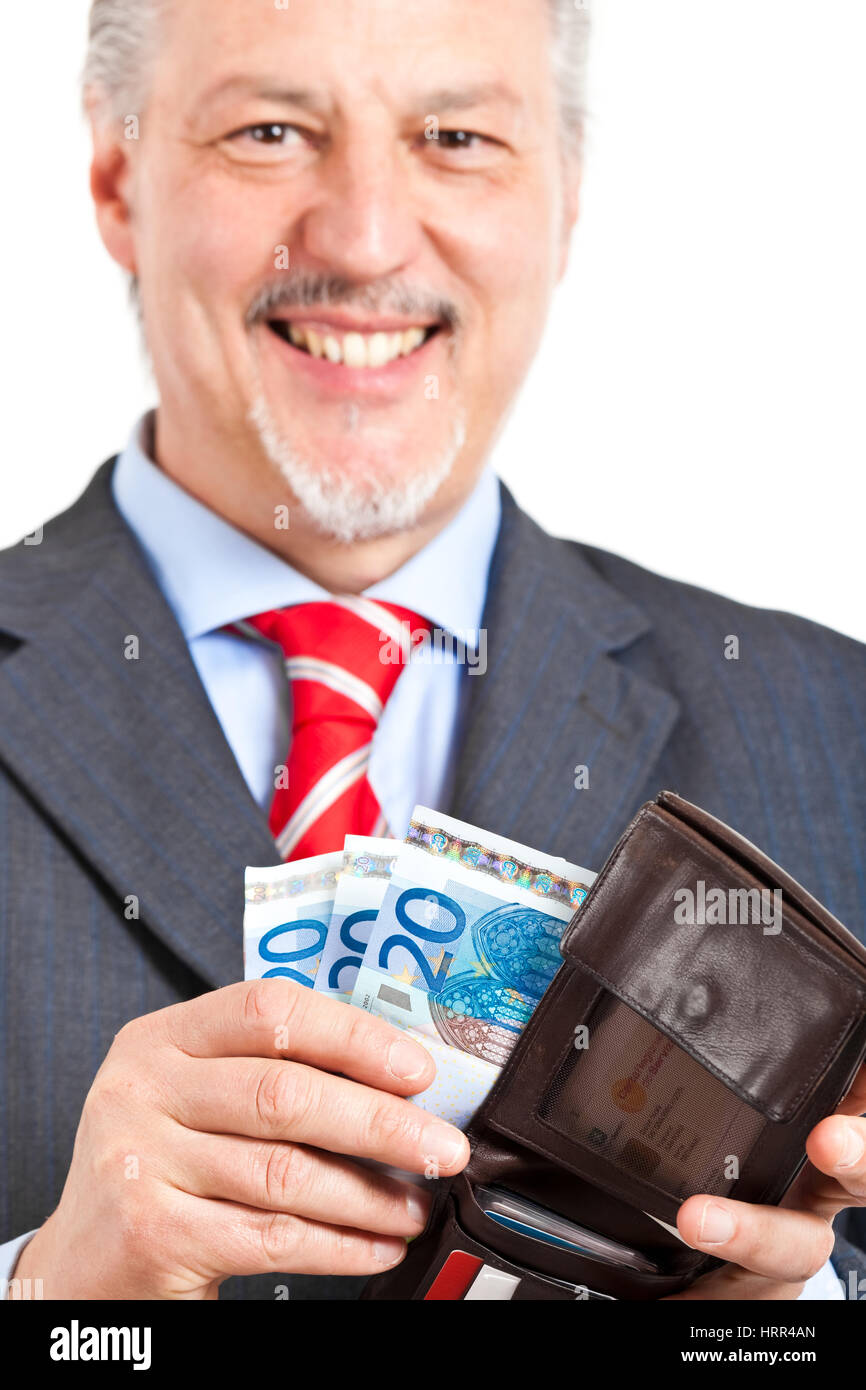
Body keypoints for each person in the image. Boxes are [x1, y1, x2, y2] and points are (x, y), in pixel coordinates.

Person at [1, 0, 864, 1302]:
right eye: (269, 129)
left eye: (453, 135)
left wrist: (775, 1328)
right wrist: (50, 1301)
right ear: (119, 181)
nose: (361, 236)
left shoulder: (835, 729)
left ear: (564, 197)